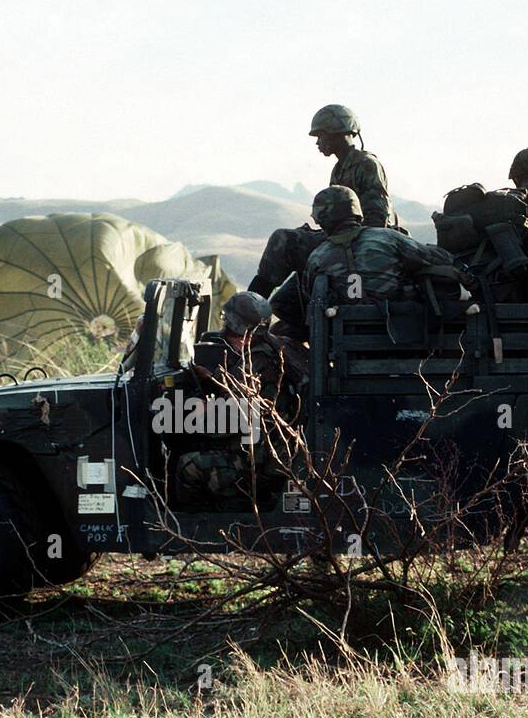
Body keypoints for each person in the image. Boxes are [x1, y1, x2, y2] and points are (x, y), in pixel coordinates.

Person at [271, 186, 470, 342]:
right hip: (402, 336)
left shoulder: (316, 257)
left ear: (323, 219)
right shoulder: (388, 238)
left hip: (345, 343)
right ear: (356, 212)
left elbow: (311, 300)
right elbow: (441, 259)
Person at [247, 104, 400, 297]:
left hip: (359, 243)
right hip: (340, 239)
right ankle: (255, 308)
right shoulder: (340, 169)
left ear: (337, 132)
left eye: (322, 136)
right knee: (283, 302)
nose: (318, 142)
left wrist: (338, 244)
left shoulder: (366, 165)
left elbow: (378, 220)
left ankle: (248, 313)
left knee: (284, 240)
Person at [175, 292, 304, 509]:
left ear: (238, 331)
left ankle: (200, 533)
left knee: (187, 466)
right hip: (274, 455)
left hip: (260, 464)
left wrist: (193, 412)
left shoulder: (254, 362)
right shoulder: (274, 348)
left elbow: (226, 421)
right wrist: (214, 380)